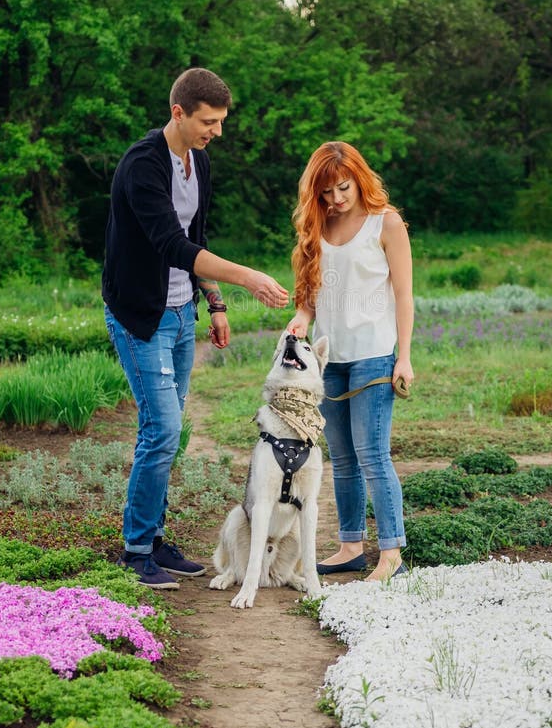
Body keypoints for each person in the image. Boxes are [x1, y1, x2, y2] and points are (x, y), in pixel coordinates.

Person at [103, 67, 289, 589]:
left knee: (170, 434)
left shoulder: (198, 161)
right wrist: (249, 277)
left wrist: (216, 301)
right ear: (178, 113)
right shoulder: (142, 165)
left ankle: (154, 537)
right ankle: (136, 549)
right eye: (209, 121)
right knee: (160, 430)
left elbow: (196, 232)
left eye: (221, 121)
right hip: (140, 316)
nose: (217, 132)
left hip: (183, 312)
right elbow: (172, 246)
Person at [287, 141, 413, 582]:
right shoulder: (316, 227)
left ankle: (391, 553)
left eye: (343, 188)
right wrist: (300, 321)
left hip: (375, 357)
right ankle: (350, 546)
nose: (336, 199)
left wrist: (405, 357)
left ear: (359, 178)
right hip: (329, 359)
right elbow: (309, 298)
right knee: (340, 458)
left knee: (372, 455)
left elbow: (403, 294)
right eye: (326, 193)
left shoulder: (386, 223)